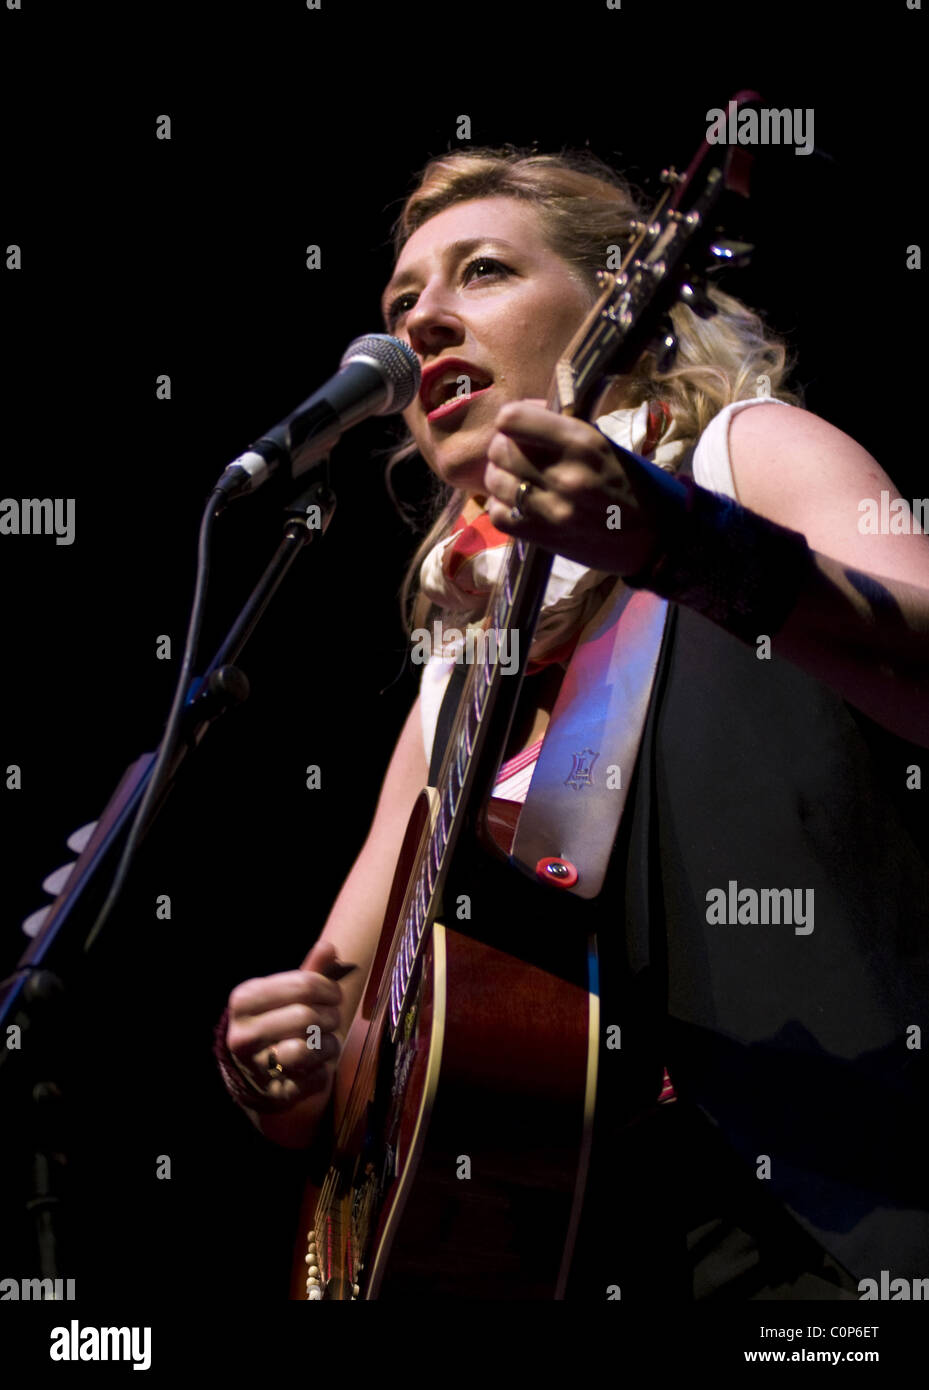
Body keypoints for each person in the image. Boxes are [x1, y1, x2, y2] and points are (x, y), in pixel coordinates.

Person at [213, 147, 929, 1300]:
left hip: (841, 1218)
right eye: (400, 304)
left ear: (619, 299)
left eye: (481, 271)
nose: (424, 321)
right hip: (590, 1255)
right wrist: (288, 1065)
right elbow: (342, 1011)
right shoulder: (459, 671)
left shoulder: (744, 455)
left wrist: (682, 544)